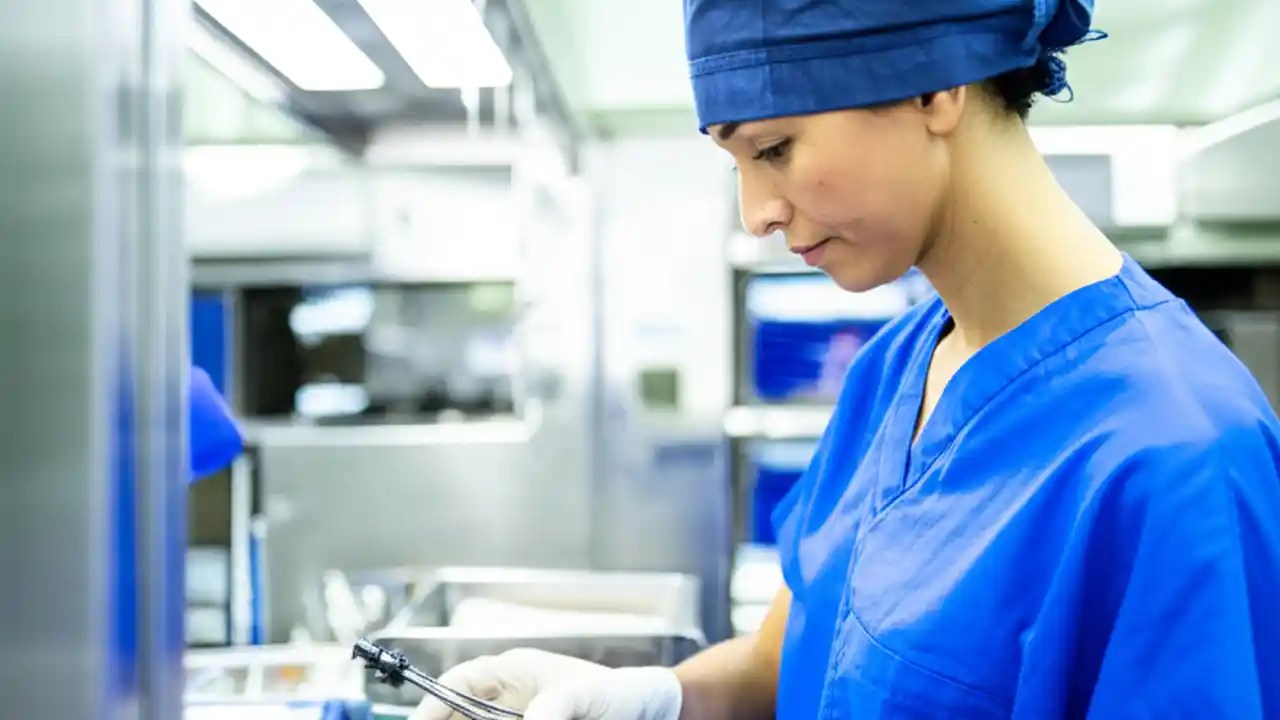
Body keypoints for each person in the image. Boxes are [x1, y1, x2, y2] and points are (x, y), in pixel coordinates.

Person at [412, 0, 1280, 718]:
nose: (757, 212)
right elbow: (794, 661)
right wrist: (644, 698)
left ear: (935, 87)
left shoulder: (1175, 458)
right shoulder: (895, 368)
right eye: (737, 161)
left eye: (775, 149)